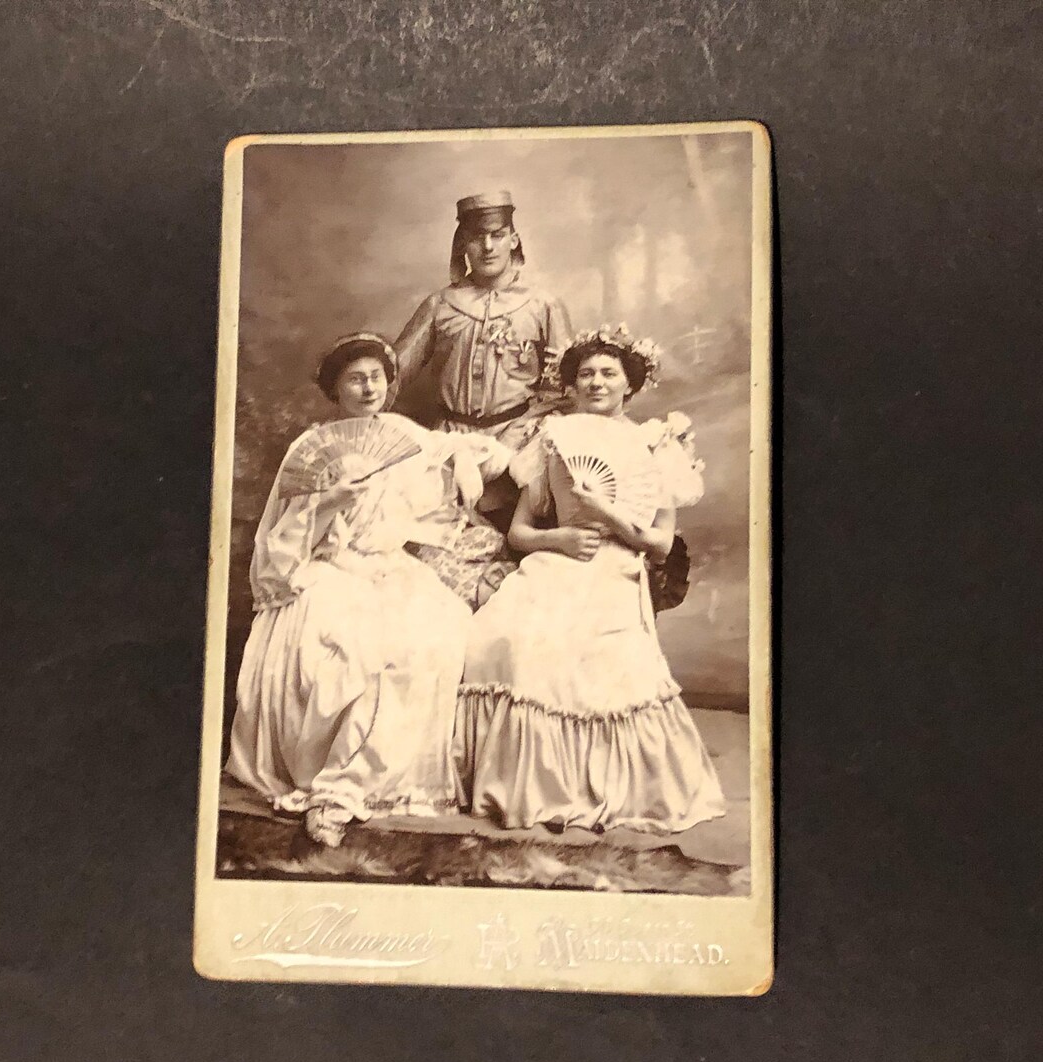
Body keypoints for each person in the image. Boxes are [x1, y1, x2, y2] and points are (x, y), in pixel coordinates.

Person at [225, 333, 509, 847]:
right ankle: (336, 790)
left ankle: (390, 779)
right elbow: (283, 547)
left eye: (377, 376)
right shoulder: (311, 448)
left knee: (438, 630)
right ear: (335, 389)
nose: (368, 386)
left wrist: (467, 457)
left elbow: (474, 455)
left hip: (391, 567)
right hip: (330, 569)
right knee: (357, 649)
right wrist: (330, 500)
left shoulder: (403, 433)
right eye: (355, 378)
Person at [456, 325, 726, 835]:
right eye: (585, 374)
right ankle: (528, 788)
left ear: (630, 383)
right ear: (571, 385)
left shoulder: (656, 445)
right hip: (557, 562)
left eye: (608, 373)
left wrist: (607, 513)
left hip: (615, 570)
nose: (596, 383)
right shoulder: (554, 439)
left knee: (589, 659)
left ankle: (590, 788)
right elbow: (518, 532)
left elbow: (661, 544)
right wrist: (557, 539)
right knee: (503, 638)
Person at [389, 190, 574, 530]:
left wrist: (513, 442)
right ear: (463, 245)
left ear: (513, 240)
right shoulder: (440, 305)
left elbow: (561, 390)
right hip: (450, 445)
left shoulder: (543, 306)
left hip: (519, 446)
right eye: (477, 238)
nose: (488, 247)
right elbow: (392, 373)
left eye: (497, 235)